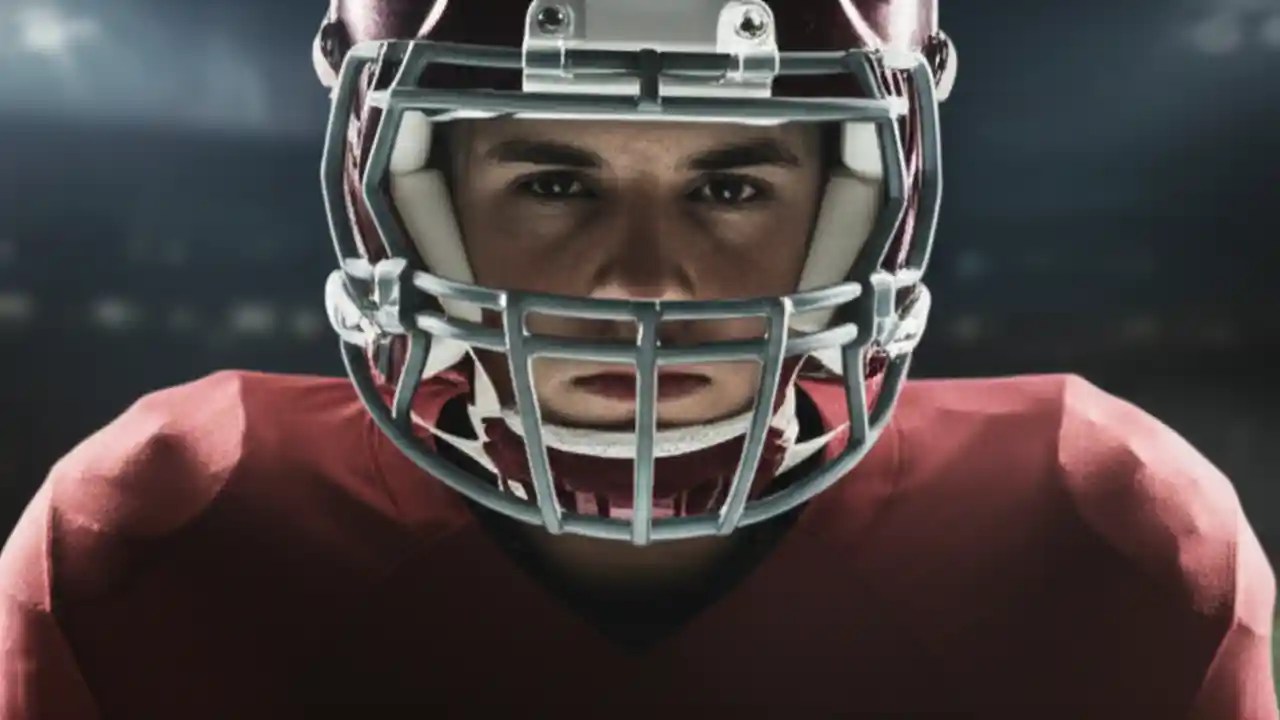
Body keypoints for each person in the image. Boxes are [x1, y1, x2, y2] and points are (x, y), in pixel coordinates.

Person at [1, 0, 1275, 716]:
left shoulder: (1095, 543)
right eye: (556, 178)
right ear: (405, 191)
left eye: (730, 188)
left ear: (858, 205)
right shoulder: (171, 536)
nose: (645, 278)